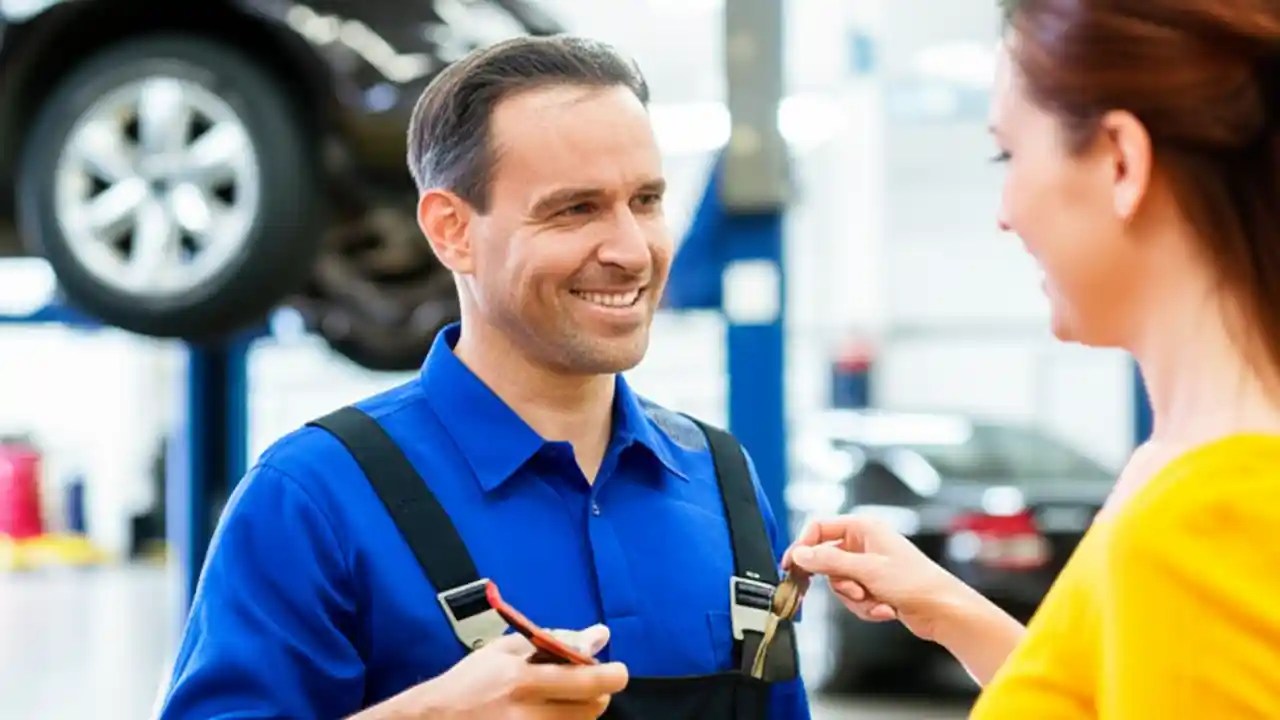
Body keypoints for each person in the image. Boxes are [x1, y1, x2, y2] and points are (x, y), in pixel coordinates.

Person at [157, 35, 811, 720]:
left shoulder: (722, 480)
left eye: (645, 201)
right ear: (451, 231)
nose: (629, 250)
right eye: (575, 209)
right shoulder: (314, 500)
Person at [786, 0, 1280, 716]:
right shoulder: (1179, 472)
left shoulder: (1206, 517)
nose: (1005, 211)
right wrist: (951, 609)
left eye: (1008, 154)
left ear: (1119, 162)